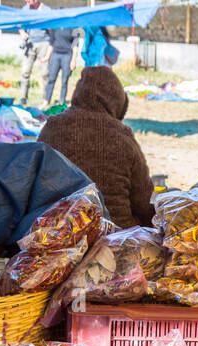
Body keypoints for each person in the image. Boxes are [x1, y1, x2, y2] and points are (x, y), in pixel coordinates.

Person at [37, 66, 153, 228]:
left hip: (55, 234)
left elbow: (34, 184)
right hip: (115, 237)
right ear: (117, 102)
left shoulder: (52, 127)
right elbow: (143, 202)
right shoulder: (123, 136)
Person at [19, 0, 50, 106]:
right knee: (25, 72)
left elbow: (52, 28)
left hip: (44, 43)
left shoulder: (46, 10)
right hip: (29, 44)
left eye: (28, 0)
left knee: (45, 73)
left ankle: (46, 99)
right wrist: (22, 32)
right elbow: (19, 24)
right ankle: (23, 98)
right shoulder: (25, 9)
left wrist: (43, 21)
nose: (26, 1)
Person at [44, 26, 80, 108]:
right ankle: (46, 101)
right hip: (55, 54)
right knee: (51, 79)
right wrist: (47, 56)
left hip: (67, 55)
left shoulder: (74, 28)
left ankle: (61, 102)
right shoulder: (55, 26)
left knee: (64, 80)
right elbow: (51, 43)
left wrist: (73, 60)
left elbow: (75, 45)